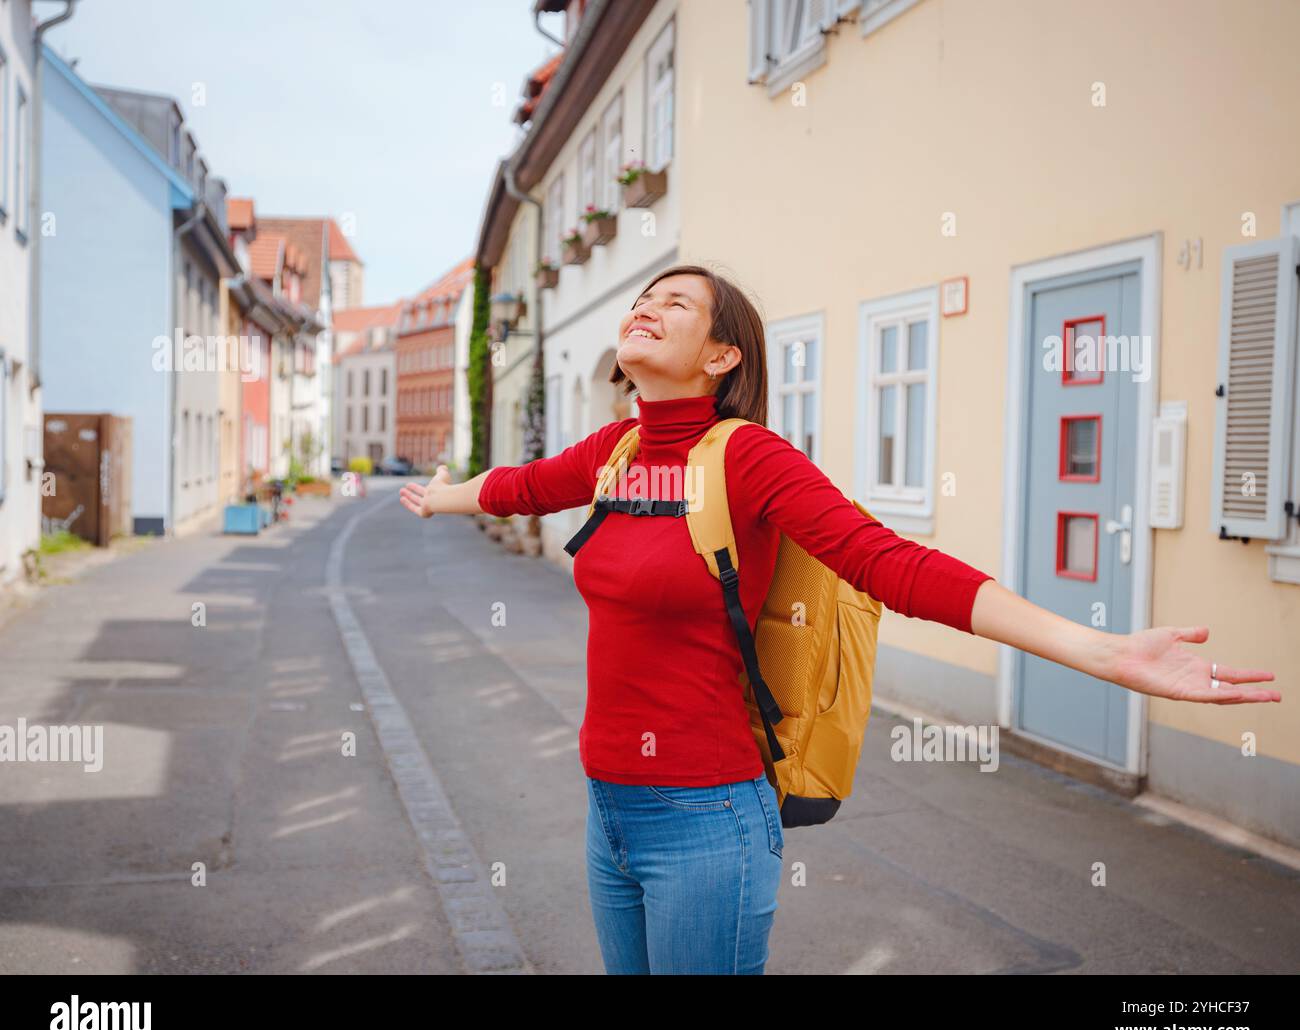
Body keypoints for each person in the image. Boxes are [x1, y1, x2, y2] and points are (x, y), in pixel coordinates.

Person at [399, 264, 1280, 975]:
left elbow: (889, 563)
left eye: (675, 302)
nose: (645, 307)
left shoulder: (748, 458)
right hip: (608, 805)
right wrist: (444, 497)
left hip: (707, 818)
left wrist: (1104, 651)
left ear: (721, 357)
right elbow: (522, 484)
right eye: (642, 299)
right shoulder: (617, 452)